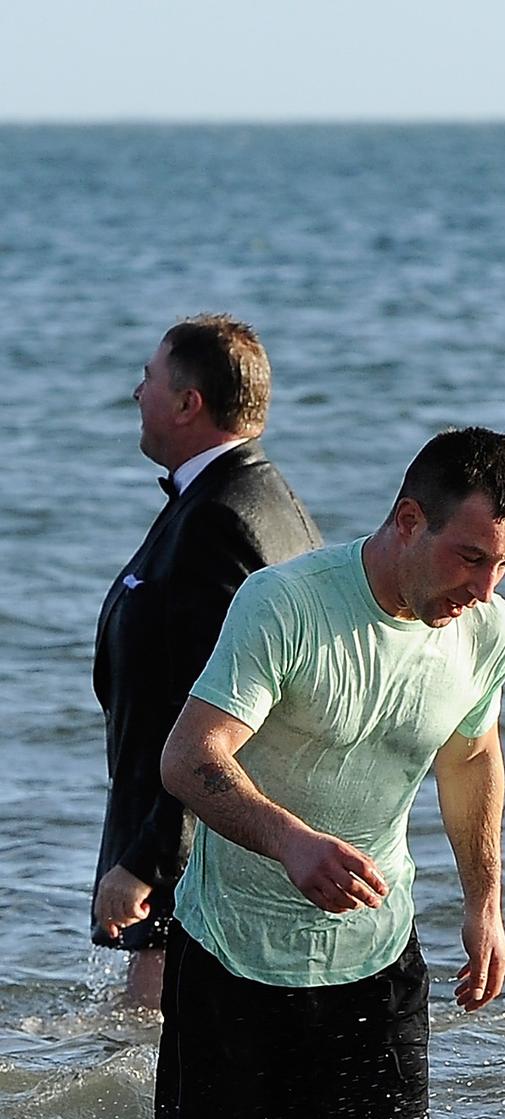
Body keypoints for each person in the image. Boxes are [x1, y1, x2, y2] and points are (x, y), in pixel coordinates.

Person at [155, 428, 505, 1119]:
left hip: (376, 968)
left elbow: (470, 757)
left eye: (504, 565)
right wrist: (290, 840)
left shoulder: (488, 631)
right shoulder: (285, 603)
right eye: (470, 557)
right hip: (231, 964)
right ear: (408, 520)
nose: (485, 588)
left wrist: (484, 903)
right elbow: (188, 758)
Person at [93, 316, 321, 1008]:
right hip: (211, 845)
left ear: (189, 403)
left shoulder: (220, 520)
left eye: (150, 379)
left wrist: (148, 861)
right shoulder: (247, 496)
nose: (137, 393)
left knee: (151, 1042)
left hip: (197, 859)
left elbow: (219, 716)